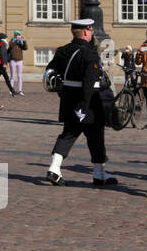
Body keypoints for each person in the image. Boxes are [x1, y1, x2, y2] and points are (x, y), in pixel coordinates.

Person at [43, 19, 116, 187]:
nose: (91, 34)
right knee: (96, 136)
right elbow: (89, 82)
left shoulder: (63, 50)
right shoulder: (89, 53)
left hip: (68, 98)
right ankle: (98, 173)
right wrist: (83, 105)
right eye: (90, 31)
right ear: (85, 32)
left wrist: (63, 92)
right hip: (87, 102)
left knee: (69, 133)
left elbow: (51, 72)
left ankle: (55, 168)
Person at [7, 30, 26, 96]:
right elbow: (11, 46)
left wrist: (23, 41)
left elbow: (25, 48)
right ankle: (11, 90)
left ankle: (20, 90)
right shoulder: (11, 41)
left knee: (19, 76)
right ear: (14, 35)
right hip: (13, 60)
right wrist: (15, 40)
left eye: (18, 35)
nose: (17, 36)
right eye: (16, 35)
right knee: (12, 75)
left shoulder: (21, 42)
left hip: (20, 60)